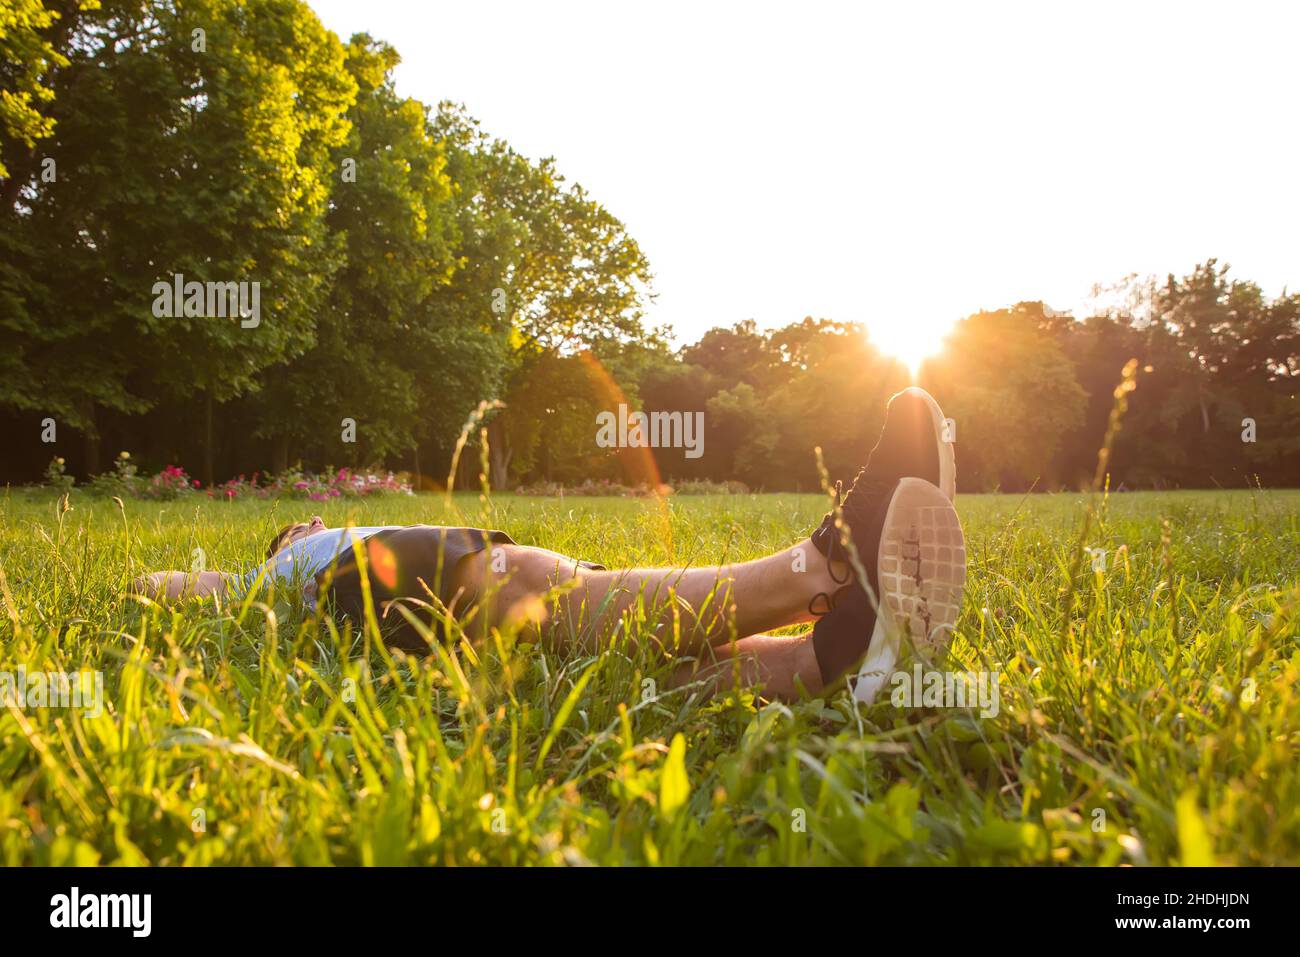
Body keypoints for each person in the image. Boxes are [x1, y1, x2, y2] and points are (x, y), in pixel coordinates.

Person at [135, 387, 966, 702]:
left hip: (381, 601)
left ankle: (835, 653)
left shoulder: (317, 553)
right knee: (519, 578)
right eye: (298, 523)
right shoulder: (283, 567)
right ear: (293, 536)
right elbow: (162, 583)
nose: (308, 521)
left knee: (620, 657)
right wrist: (193, 581)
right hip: (365, 590)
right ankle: (827, 566)